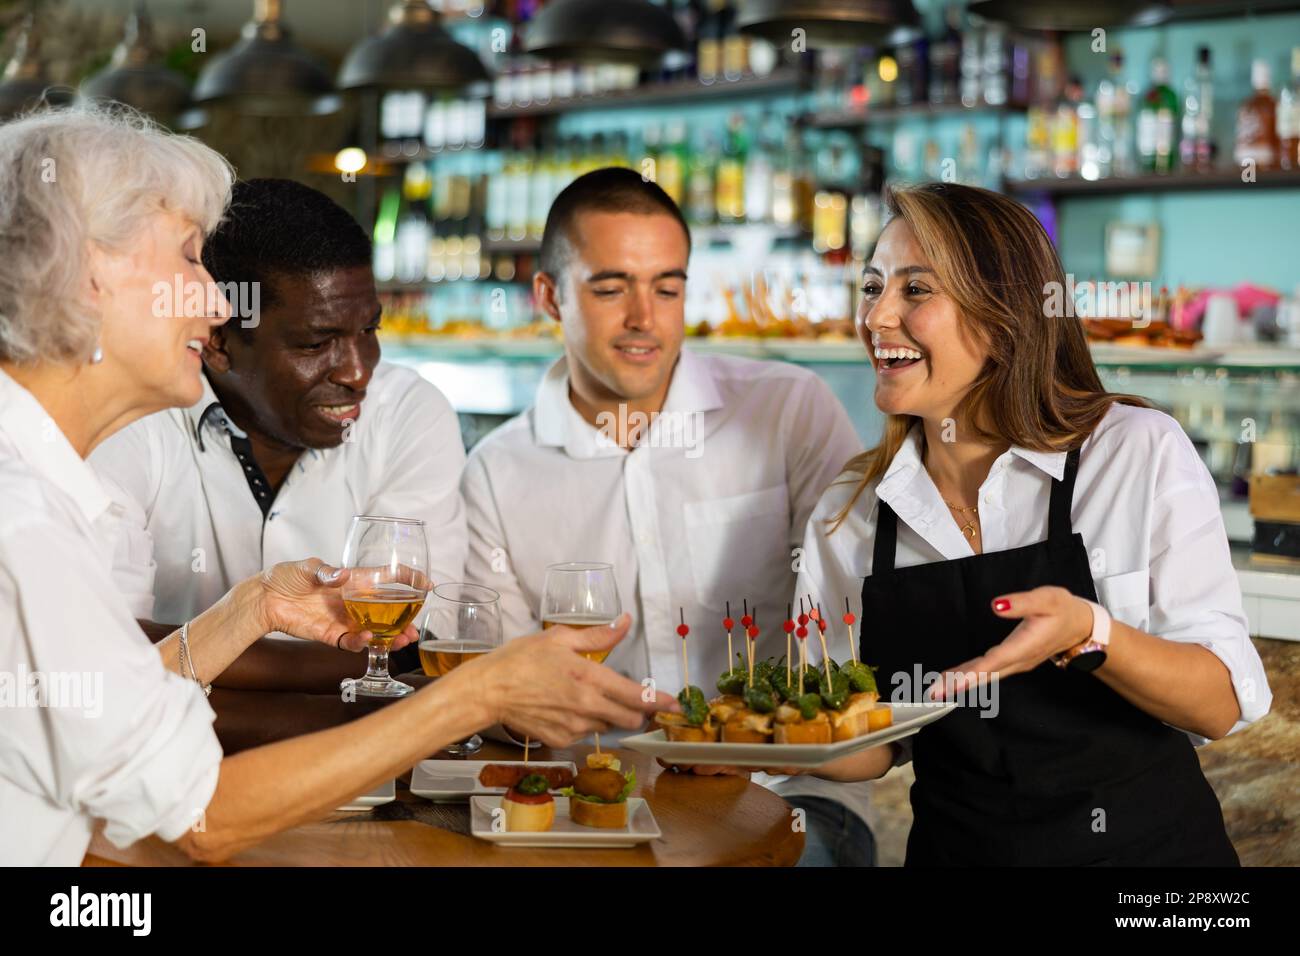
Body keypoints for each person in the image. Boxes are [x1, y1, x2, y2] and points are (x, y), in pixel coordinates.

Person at [0, 105, 672, 866]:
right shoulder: (24, 530)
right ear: (89, 274)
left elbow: (109, 702)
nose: (217, 302)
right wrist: (477, 695)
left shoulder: (29, 494)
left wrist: (253, 608)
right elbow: (204, 818)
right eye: (189, 259)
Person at [793, 182, 1271, 866]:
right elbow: (872, 744)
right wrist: (754, 745)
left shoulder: (1134, 452)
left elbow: (1220, 703)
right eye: (872, 287)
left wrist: (1090, 632)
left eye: (916, 291)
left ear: (1004, 315)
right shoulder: (853, 511)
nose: (877, 317)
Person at [461, 167, 875, 866]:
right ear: (548, 298)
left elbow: (860, 635)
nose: (643, 319)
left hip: (789, 790)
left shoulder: (787, 412)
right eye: (610, 287)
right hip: (596, 799)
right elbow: (507, 704)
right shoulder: (496, 474)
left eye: (667, 287)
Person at [89, 178, 464, 706]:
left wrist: (189, 677)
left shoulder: (407, 412)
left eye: (369, 330)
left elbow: (411, 643)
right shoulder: (136, 420)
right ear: (218, 339)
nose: (359, 372)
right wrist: (361, 691)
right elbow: (100, 646)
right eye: (317, 342)